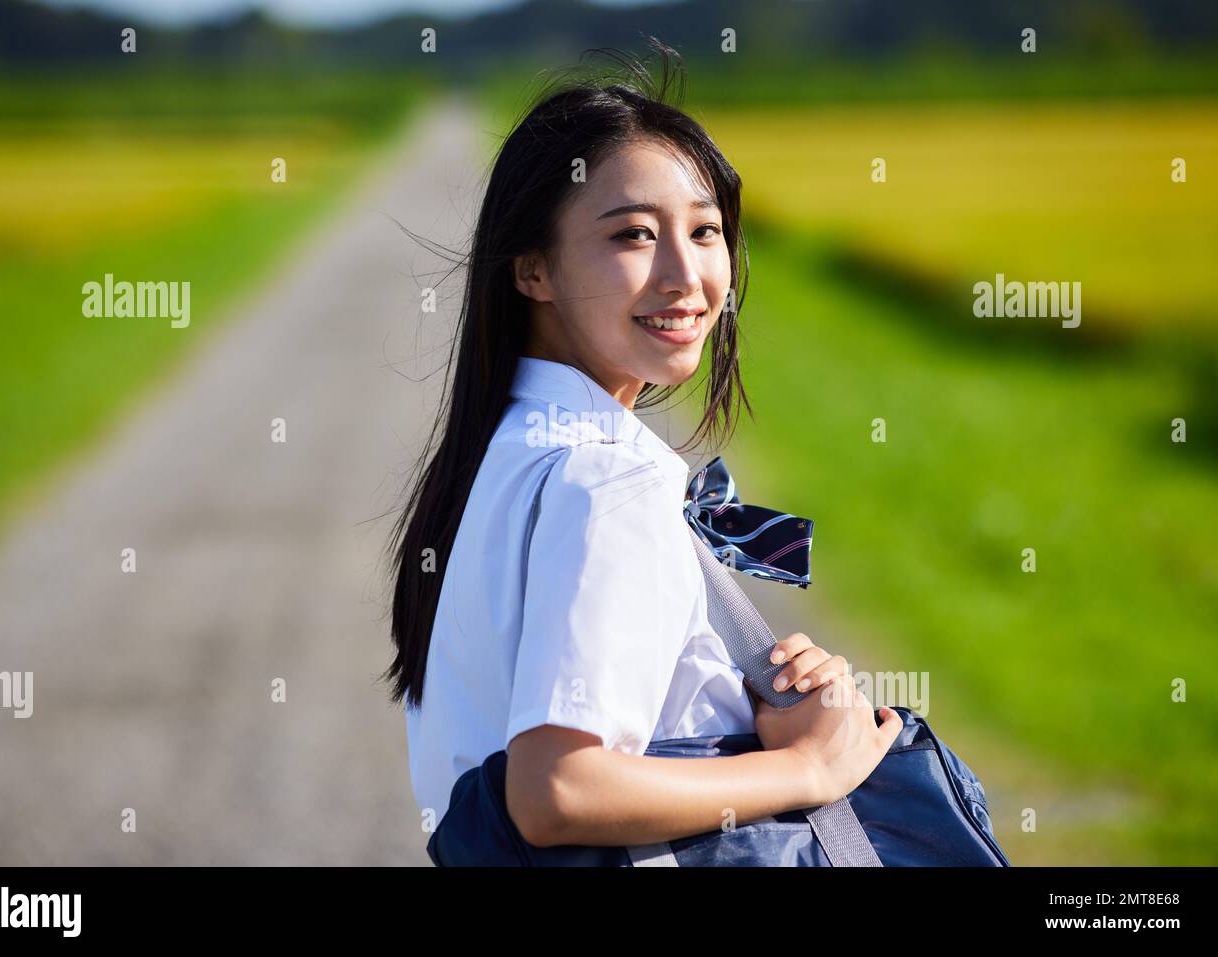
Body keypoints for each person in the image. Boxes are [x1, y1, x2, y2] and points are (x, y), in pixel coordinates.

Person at [384, 40, 900, 849]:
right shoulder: (605, 478)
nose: (685, 275)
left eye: (705, 231)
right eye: (631, 235)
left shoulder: (508, 452)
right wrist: (811, 767)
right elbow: (556, 789)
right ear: (532, 271)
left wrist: (745, 694)